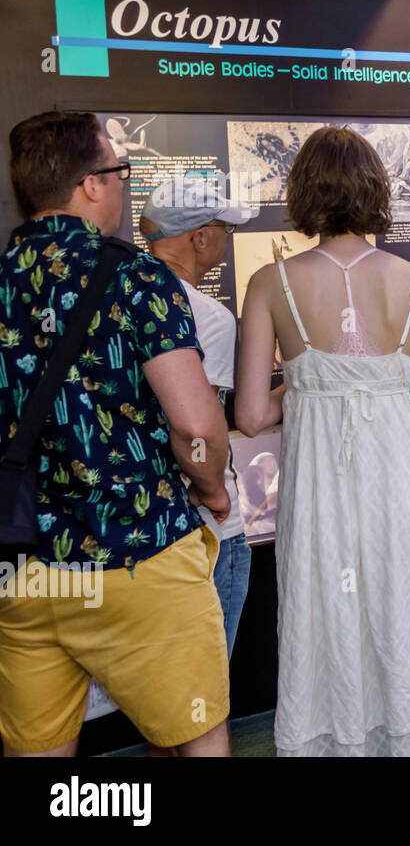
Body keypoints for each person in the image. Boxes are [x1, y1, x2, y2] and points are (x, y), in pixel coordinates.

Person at [235, 126, 410, 756]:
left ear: (302, 191)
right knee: (408, 607)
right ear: (375, 189)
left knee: (328, 612)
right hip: (407, 479)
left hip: (322, 486)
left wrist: (312, 383)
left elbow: (253, 414)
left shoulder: (270, 283)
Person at [0, 111, 232, 757]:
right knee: (199, 742)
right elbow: (195, 425)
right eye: (120, 173)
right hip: (139, 548)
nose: (123, 188)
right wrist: (212, 488)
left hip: (24, 569)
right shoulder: (137, 277)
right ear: (90, 185)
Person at [140, 178, 256, 657]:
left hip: (142, 527)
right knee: (205, 695)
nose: (226, 241)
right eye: (224, 229)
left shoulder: (120, 299)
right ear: (200, 236)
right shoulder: (207, 315)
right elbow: (199, 427)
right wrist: (214, 492)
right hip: (205, 528)